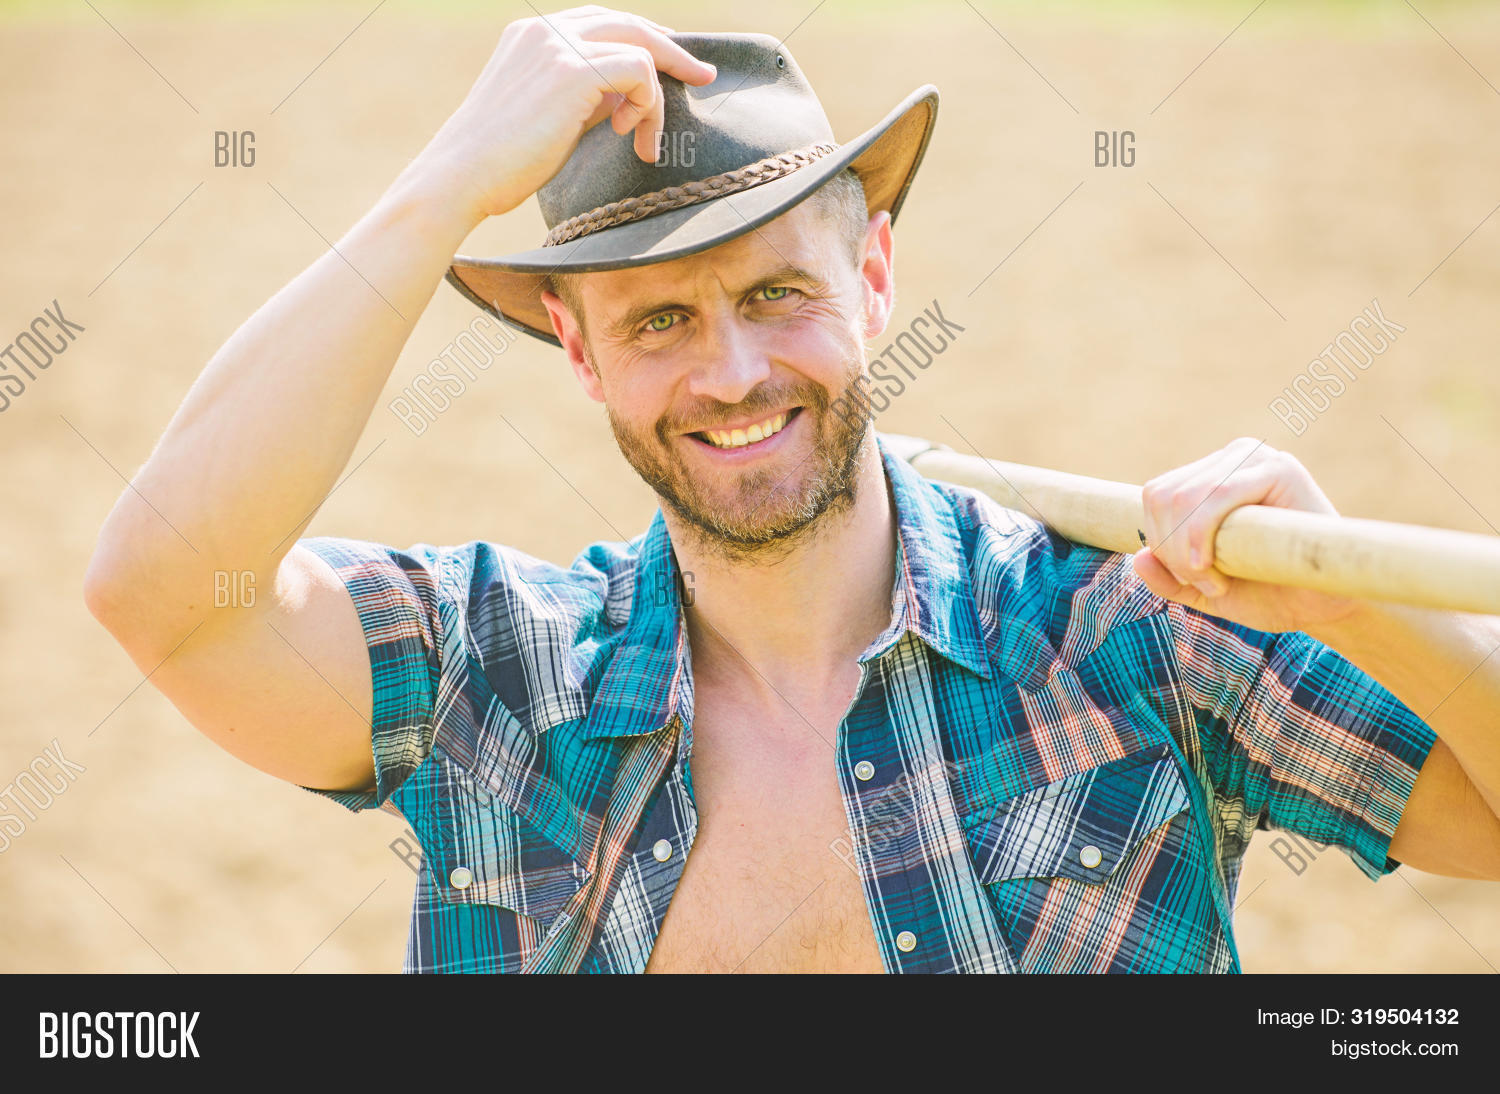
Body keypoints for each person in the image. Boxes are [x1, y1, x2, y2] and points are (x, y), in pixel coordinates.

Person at [84, 7, 1499, 974]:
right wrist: (442, 189)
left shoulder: (1128, 629)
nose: (734, 373)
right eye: (658, 322)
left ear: (876, 277)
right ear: (573, 348)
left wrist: (1356, 608)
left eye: (778, 293)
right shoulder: (495, 681)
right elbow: (159, 593)